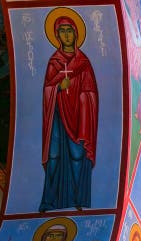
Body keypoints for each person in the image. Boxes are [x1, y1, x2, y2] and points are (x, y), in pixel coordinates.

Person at [41, 11, 98, 212]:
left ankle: (77, 199)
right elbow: (47, 89)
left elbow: (91, 93)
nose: (66, 35)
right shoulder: (53, 62)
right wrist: (57, 86)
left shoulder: (83, 63)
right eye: (62, 31)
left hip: (78, 119)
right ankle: (50, 200)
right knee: (54, 155)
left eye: (69, 31)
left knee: (77, 156)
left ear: (75, 33)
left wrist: (82, 98)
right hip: (57, 116)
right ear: (57, 35)